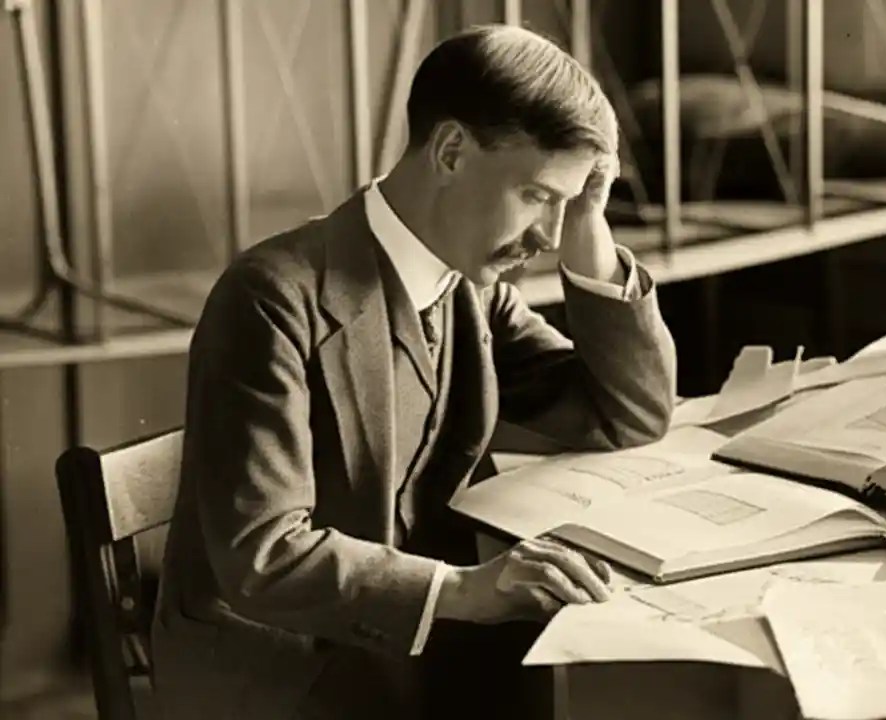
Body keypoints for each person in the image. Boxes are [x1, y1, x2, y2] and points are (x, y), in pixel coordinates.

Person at [151, 24, 676, 719]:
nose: (549, 238)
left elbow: (628, 414)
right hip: (276, 666)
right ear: (452, 151)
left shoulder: (470, 289)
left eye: (567, 204)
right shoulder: (271, 297)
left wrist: (590, 224)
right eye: (538, 196)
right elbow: (264, 556)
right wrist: (465, 591)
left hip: (402, 637)